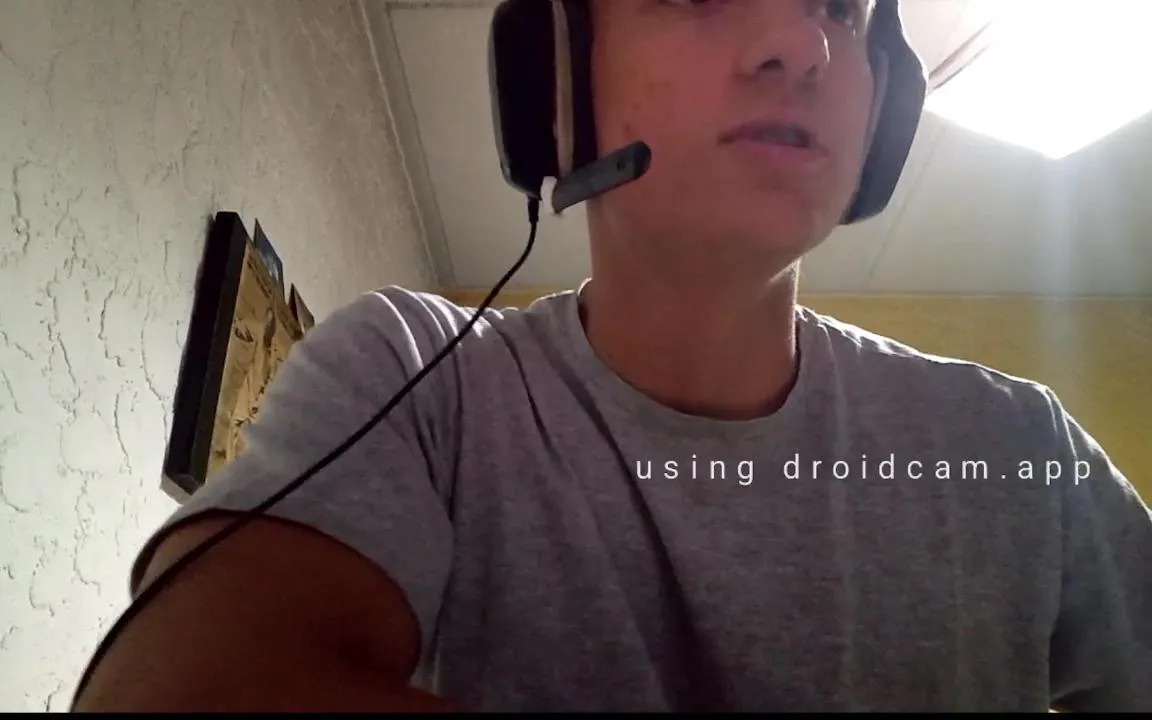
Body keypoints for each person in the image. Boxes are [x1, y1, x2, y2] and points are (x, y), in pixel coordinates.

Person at [74, 0, 1151, 712]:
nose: (802, 44)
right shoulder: (418, 377)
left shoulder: (1021, 446)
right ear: (554, 82)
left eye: (837, 5)